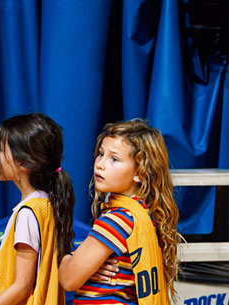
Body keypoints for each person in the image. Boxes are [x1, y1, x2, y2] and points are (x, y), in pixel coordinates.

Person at [59, 120, 181, 305]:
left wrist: (66, 258)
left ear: (140, 172)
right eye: (100, 154)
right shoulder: (143, 213)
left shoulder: (117, 219)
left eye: (114, 159)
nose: (100, 164)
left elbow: (68, 279)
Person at [0, 113, 75, 305]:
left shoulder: (28, 213)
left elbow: (23, 285)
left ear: (24, 162)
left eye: (0, 149)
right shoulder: (47, 204)